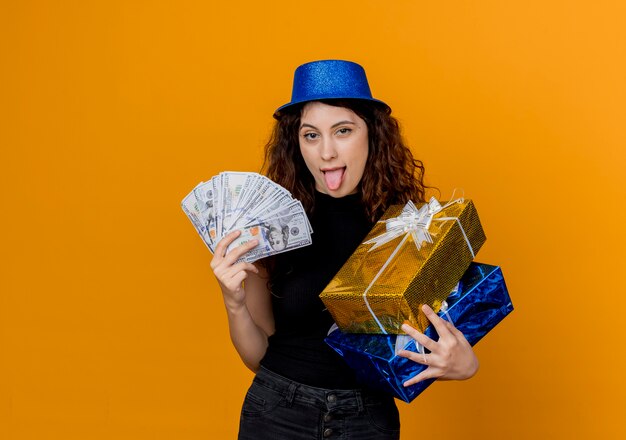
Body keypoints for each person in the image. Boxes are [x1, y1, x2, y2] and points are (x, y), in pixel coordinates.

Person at [210, 60, 479, 439]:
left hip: (367, 419)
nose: (327, 153)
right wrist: (233, 302)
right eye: (311, 135)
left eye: (343, 131)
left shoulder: (409, 228)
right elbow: (258, 357)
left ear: (372, 134)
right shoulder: (268, 226)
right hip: (277, 413)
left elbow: (442, 332)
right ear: (295, 143)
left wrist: (464, 363)